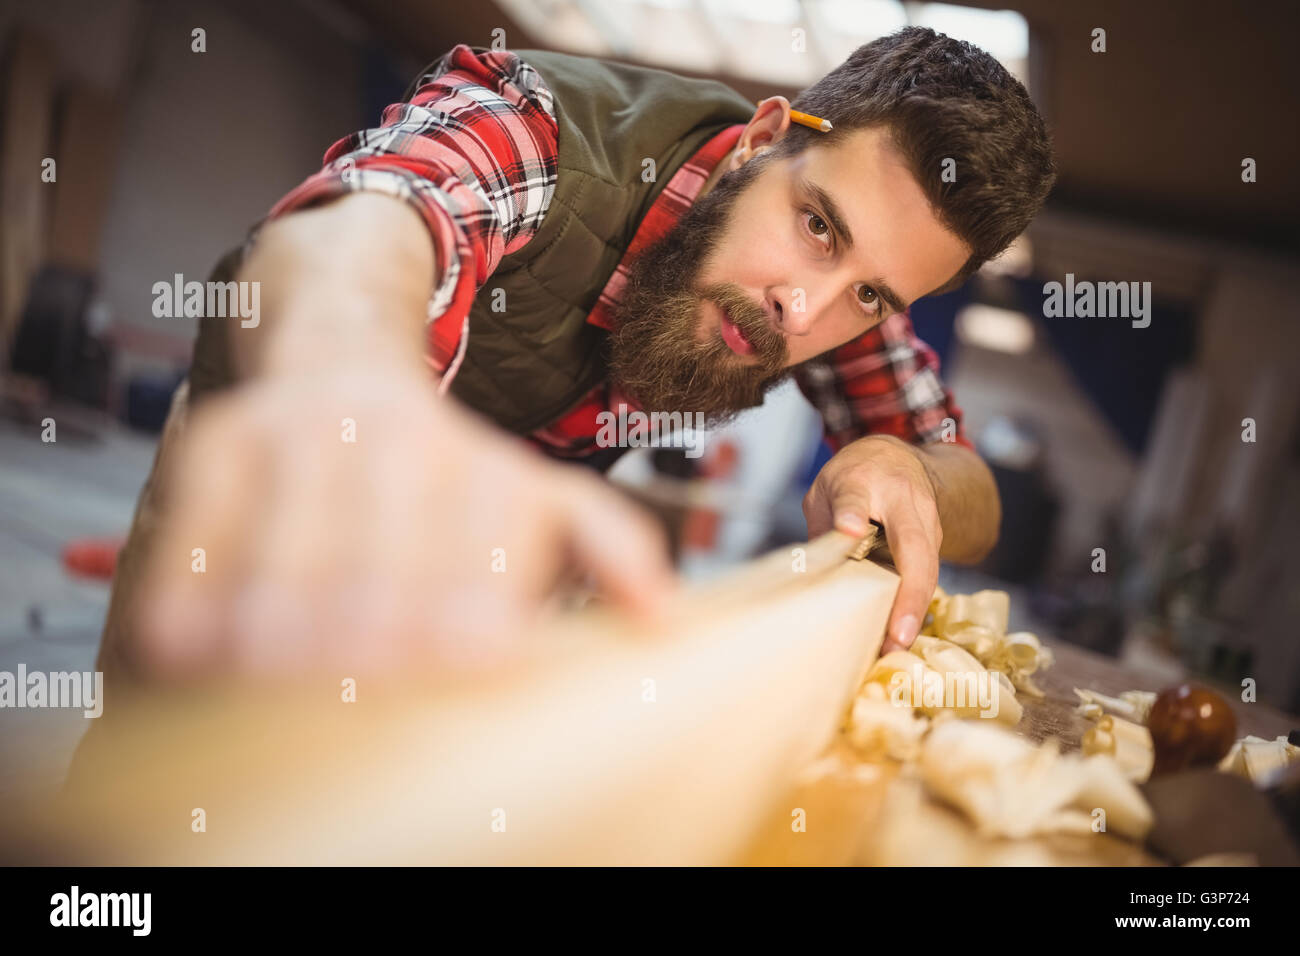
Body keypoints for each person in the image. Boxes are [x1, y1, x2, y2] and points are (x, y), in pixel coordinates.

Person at [100, 26, 1055, 680]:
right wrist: (348, 390)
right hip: (274, 482)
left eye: (874, 295)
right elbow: (382, 220)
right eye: (815, 226)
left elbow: (969, 489)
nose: (803, 314)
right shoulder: (543, 132)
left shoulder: (833, 295)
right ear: (762, 140)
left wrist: (903, 464)